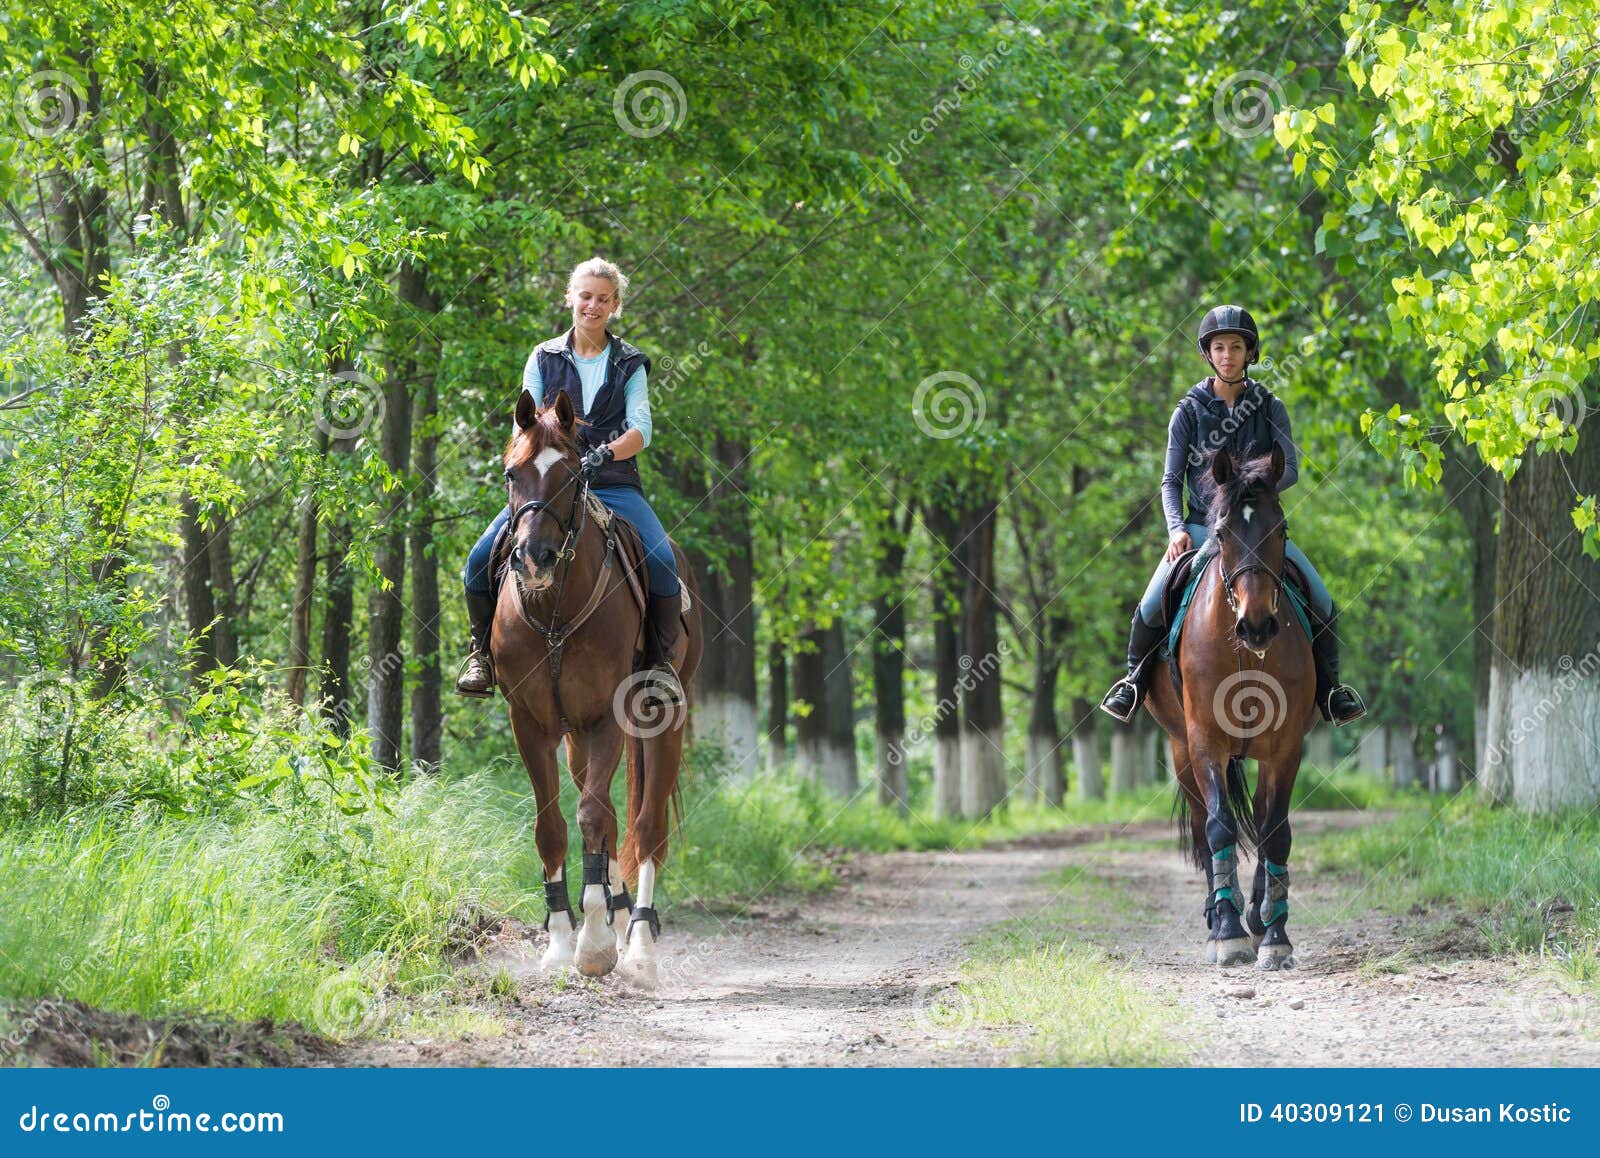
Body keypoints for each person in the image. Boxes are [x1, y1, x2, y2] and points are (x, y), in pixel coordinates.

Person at [1098, 304, 1366, 726]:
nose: (1227, 355)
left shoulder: (1269, 406)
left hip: (1258, 530)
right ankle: (1132, 682)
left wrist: (1252, 494)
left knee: (1322, 599)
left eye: (1235, 347)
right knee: (1150, 605)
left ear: (1249, 353)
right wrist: (1174, 530)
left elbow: (1290, 469)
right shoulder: (1187, 411)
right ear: (1208, 354)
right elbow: (1170, 481)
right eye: (1219, 347)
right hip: (1203, 528)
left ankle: (1332, 689)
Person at [455, 257, 683, 700]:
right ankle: (481, 656)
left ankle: (660, 667)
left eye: (602, 299)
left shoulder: (631, 363)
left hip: (614, 483)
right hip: (547, 488)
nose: (592, 306)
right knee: (477, 560)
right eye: (585, 296)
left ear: (615, 305)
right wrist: (543, 455)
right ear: (570, 299)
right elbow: (523, 423)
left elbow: (642, 429)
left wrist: (605, 453)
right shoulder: (543, 356)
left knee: (663, 564)